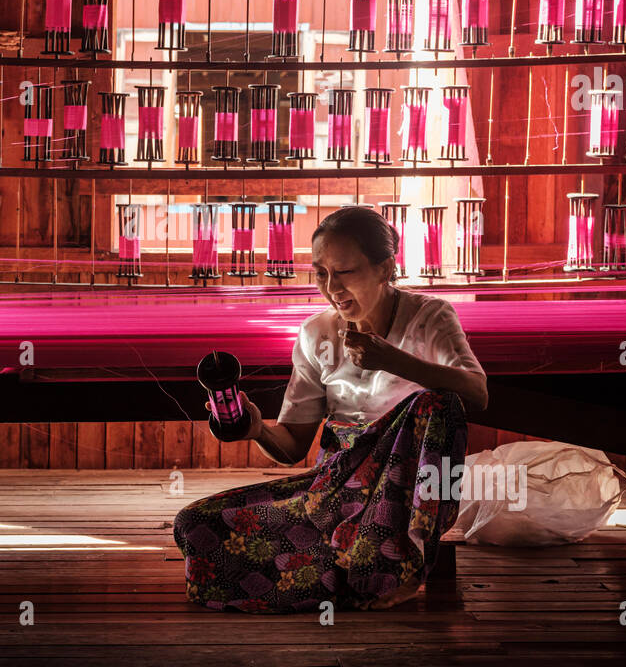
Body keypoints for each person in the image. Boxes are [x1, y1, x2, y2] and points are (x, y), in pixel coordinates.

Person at [172, 205, 487, 614]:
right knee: (195, 526)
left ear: (386, 268)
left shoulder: (430, 317)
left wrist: (391, 359)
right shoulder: (315, 333)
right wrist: (257, 431)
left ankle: (405, 561)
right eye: (322, 273)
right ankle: (356, 564)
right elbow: (293, 446)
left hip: (403, 493)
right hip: (334, 490)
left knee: (439, 403)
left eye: (346, 272)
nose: (332, 287)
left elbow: (476, 393)